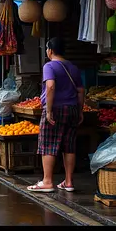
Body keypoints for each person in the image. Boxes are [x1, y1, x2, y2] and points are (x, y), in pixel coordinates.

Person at [27, 37, 84, 193]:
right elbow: (80, 91)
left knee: (48, 144)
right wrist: (80, 110)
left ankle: (47, 181)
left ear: (50, 50)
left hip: (56, 109)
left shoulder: (49, 66)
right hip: (72, 109)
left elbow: (50, 87)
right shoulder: (73, 67)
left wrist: (49, 110)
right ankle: (69, 181)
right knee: (69, 146)